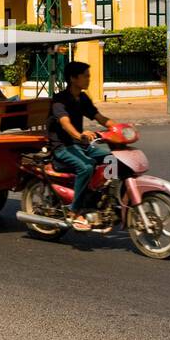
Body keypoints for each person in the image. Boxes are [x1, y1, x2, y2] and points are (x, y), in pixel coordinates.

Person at [48, 60, 116, 231]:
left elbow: (99, 117)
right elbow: (65, 123)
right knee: (86, 167)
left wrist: (119, 128)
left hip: (80, 144)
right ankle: (74, 212)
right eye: (86, 76)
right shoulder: (59, 100)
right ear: (73, 78)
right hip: (63, 147)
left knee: (112, 159)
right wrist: (80, 135)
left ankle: (105, 198)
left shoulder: (83, 98)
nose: (89, 79)